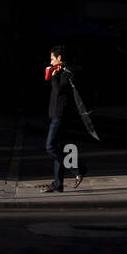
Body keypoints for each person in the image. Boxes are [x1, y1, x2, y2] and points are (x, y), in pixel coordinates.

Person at [43, 45, 88, 193]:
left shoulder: (67, 72)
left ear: (59, 58)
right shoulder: (60, 71)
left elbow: (59, 91)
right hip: (56, 114)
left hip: (60, 116)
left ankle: (77, 169)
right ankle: (58, 184)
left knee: (50, 147)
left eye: (52, 58)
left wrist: (55, 76)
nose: (51, 61)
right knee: (59, 148)